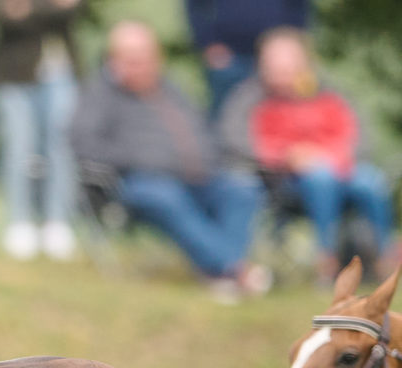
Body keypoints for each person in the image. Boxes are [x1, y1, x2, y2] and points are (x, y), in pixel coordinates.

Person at [70, 20, 267, 298]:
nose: (140, 67)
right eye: (130, 60)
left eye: (145, 59)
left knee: (242, 190)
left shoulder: (172, 90)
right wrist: (137, 158)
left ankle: (223, 274)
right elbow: (83, 143)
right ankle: (233, 268)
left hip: (202, 177)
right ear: (113, 61)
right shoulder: (100, 95)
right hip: (138, 183)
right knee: (164, 196)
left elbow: (204, 132)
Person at [221, 27, 396, 281]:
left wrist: (331, 155)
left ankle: (384, 256)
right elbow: (242, 141)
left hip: (342, 167)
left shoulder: (330, 95)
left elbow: (356, 134)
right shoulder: (254, 100)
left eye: (289, 68)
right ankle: (326, 257)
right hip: (286, 181)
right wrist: (288, 156)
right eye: (275, 68)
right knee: (320, 177)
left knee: (371, 181)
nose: (282, 76)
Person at [0, 0, 86, 261]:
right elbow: (5, 13)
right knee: (19, 147)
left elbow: (74, 7)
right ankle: (21, 223)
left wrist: (29, 5)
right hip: (15, 74)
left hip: (60, 71)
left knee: (60, 146)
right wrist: (52, 2)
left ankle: (58, 222)